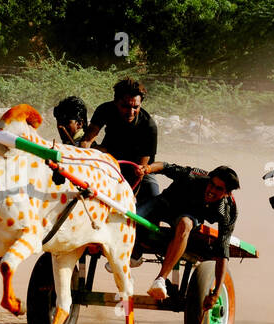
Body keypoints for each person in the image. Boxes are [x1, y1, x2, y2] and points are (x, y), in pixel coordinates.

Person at [139, 163, 240, 310]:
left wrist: (216, 292)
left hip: (186, 217)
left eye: (219, 189)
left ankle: (160, 280)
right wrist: (146, 169)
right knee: (130, 215)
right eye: (211, 184)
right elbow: (165, 167)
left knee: (186, 224)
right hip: (163, 204)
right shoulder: (194, 175)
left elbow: (222, 251)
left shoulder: (228, 210)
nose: (211, 191)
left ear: (228, 193)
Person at [78, 77, 159, 209]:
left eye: (136, 107)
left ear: (141, 104)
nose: (131, 112)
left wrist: (127, 197)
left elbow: (140, 170)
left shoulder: (149, 126)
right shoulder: (104, 109)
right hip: (109, 160)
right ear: (115, 102)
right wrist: (82, 164)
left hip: (138, 172)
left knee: (153, 198)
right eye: (125, 106)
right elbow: (86, 140)